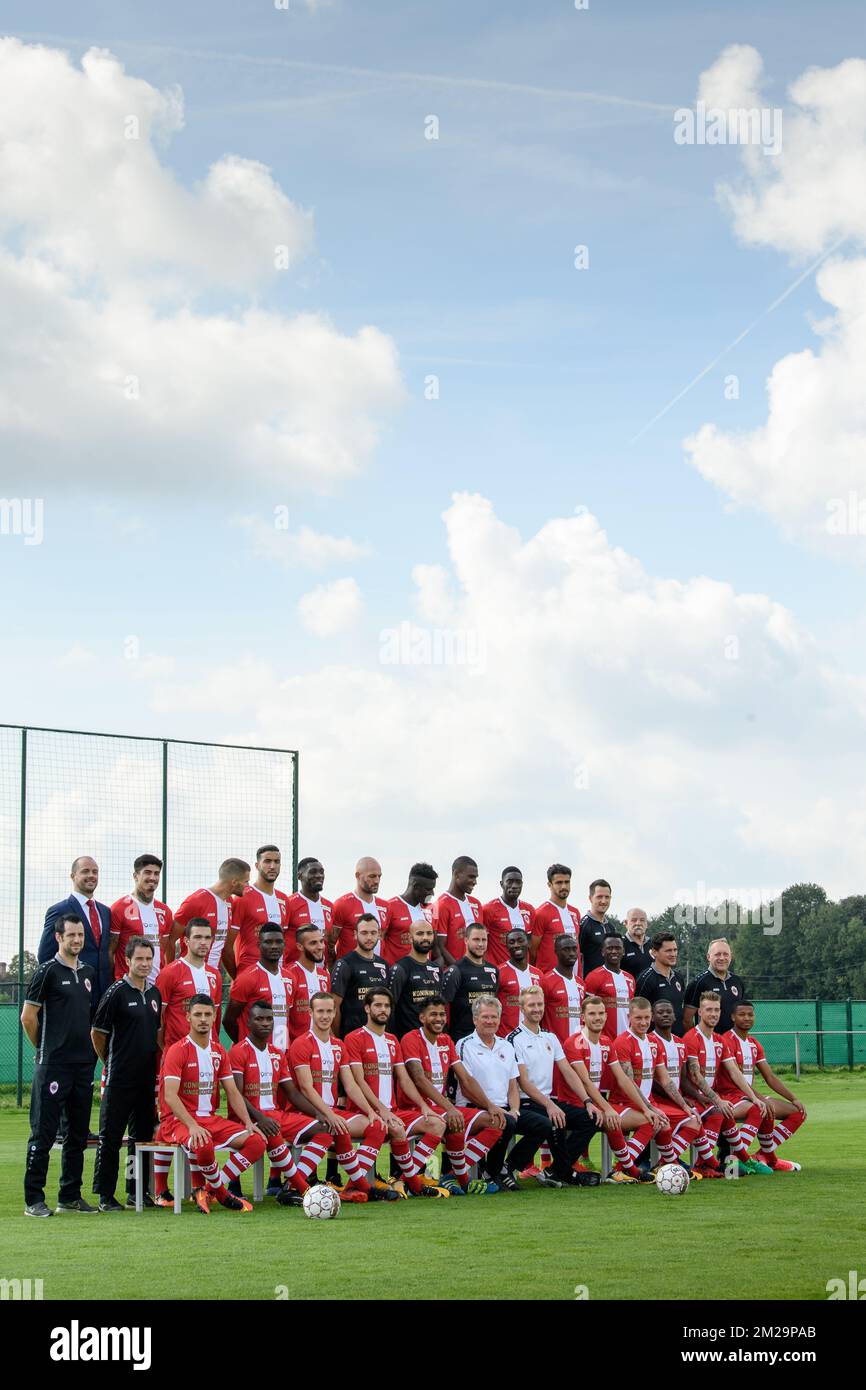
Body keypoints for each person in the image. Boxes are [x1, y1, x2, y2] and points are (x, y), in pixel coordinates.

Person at [156, 994, 267, 1213]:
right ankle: (223, 1193)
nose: (203, 1019)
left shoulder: (218, 1051)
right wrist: (192, 1125)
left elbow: (233, 1092)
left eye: (208, 1014)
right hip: (178, 1120)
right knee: (203, 1142)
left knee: (257, 1141)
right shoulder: (177, 1050)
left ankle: (208, 1189)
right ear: (188, 1017)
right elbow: (170, 1096)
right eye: (198, 1014)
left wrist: (247, 1122)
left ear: (215, 1016)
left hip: (209, 1119)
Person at [228, 998, 341, 1204]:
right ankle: (303, 1188)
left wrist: (318, 1114)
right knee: (273, 1132)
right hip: (246, 1118)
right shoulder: (237, 1051)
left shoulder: (277, 1054)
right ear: (248, 1022)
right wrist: (259, 1118)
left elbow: (293, 1093)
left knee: (324, 1129)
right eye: (259, 1019)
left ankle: (289, 1186)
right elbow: (236, 1093)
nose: (265, 1023)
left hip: (275, 1116)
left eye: (269, 1019)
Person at [290, 993, 399, 1202]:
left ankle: (351, 1188)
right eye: (320, 1011)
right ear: (310, 1013)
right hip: (307, 1113)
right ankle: (294, 1184)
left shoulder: (338, 1045)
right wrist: (329, 1114)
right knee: (331, 1127)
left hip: (333, 1112)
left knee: (377, 1125)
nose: (325, 1016)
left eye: (329, 1011)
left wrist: (370, 1112)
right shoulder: (301, 1043)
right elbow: (305, 1087)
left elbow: (350, 1084)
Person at [22, 914, 97, 1216]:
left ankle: (69, 1195)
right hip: (53, 1066)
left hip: (82, 1066)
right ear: (58, 938)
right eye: (71, 935)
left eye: (80, 935)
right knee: (43, 1133)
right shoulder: (47, 972)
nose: (77, 940)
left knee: (77, 1136)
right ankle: (33, 1200)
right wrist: (45, 1049)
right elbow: (28, 1017)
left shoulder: (89, 972)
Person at [343, 987, 450, 1197]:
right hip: (364, 1111)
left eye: (386, 1006)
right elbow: (359, 1080)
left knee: (437, 1123)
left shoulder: (392, 1040)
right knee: (396, 1130)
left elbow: (403, 1078)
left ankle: (402, 1181)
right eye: (378, 1005)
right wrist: (381, 1110)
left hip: (393, 1110)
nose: (383, 1010)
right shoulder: (354, 1038)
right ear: (367, 1008)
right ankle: (360, 1184)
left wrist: (423, 1106)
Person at [401, 997, 501, 1195]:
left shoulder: (446, 1041)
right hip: (415, 1109)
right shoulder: (411, 1039)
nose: (439, 1019)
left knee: (496, 1120)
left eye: (442, 1014)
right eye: (433, 1014)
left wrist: (490, 1105)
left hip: (442, 1109)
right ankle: (406, 1182)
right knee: (449, 1120)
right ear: (422, 1017)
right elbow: (419, 1079)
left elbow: (465, 1078)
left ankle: (453, 1176)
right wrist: (449, 1107)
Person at [91, 936, 162, 1211]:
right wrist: (110, 1061)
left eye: (148, 959)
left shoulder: (154, 994)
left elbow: (155, 1035)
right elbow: (97, 1033)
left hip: (146, 1079)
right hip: (119, 1079)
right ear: (128, 961)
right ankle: (106, 1196)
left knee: (141, 1138)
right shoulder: (116, 992)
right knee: (110, 1137)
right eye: (139, 959)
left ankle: (137, 1192)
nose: (144, 964)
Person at [509, 985, 601, 1188]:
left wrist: (587, 1101)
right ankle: (510, 1168)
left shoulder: (550, 1037)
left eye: (540, 1004)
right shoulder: (514, 1039)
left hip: (549, 1102)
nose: (537, 1009)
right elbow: (523, 1081)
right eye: (531, 1005)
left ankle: (556, 1169)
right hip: (525, 1102)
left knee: (591, 1119)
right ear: (522, 1008)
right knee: (550, 1119)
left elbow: (568, 1071)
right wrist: (550, 1105)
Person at [454, 997, 545, 1192]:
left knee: (543, 1124)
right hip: (475, 1108)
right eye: (485, 1017)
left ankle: (506, 1169)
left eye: (494, 1017)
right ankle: (492, 1174)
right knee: (505, 1122)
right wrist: (490, 1107)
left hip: (503, 1108)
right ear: (475, 1019)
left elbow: (513, 1085)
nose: (490, 1021)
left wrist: (514, 1108)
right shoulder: (464, 1045)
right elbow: (467, 1085)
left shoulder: (506, 1045)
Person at [682, 991, 769, 1176]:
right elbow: (695, 1076)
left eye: (716, 1010)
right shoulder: (691, 1038)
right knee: (719, 1113)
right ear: (700, 1012)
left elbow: (734, 1072)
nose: (713, 1014)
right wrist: (717, 1100)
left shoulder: (719, 1041)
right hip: (693, 1097)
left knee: (750, 1109)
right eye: (709, 1010)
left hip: (709, 1098)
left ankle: (742, 1161)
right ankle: (705, 1165)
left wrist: (754, 1097)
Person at [720, 1001, 806, 1172]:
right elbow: (736, 1079)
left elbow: (770, 1077)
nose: (746, 1018)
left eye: (750, 1015)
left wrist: (794, 1098)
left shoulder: (753, 1043)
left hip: (748, 1096)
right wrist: (759, 1099)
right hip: (730, 1095)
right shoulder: (726, 1040)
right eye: (742, 1014)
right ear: (732, 1017)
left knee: (798, 1113)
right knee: (760, 1108)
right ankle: (740, 1159)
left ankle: (763, 1156)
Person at [604, 998, 674, 1183]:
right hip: (622, 1103)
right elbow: (628, 1083)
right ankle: (621, 1170)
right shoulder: (622, 1042)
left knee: (668, 1124)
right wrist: (650, 1108)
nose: (643, 1022)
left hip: (646, 1103)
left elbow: (665, 1079)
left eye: (646, 1018)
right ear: (629, 1017)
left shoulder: (653, 1042)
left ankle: (666, 1167)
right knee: (652, 1122)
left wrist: (684, 1105)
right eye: (638, 1018)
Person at [649, 999, 721, 1176]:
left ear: (675, 1017)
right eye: (660, 1012)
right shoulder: (650, 1041)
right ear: (652, 1017)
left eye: (668, 1012)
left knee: (714, 1112)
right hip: (659, 1100)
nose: (665, 1015)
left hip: (678, 1099)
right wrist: (679, 1100)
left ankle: (695, 1163)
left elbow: (683, 1080)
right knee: (694, 1119)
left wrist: (699, 1096)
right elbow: (651, 1081)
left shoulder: (680, 1043)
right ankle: (705, 1162)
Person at [38, 855, 111, 997]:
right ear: (73, 876)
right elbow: (45, 955)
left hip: (103, 994)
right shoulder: (59, 910)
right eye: (85, 871)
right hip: (73, 994)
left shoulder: (105, 912)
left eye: (95, 872)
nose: (91, 875)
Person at [170, 858, 250, 977]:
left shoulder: (229, 902)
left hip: (213, 977)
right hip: (189, 975)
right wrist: (170, 972)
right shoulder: (196, 901)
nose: (248, 886)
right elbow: (171, 940)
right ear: (234, 882)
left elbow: (223, 946)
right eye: (246, 881)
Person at [223, 926, 295, 1052]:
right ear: (259, 945)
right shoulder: (247, 978)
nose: (274, 946)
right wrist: (247, 1047)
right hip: (253, 1057)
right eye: (268, 942)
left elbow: (285, 1019)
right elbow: (228, 1020)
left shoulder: (290, 978)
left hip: (281, 1058)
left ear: (284, 945)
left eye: (278, 942)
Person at [155, 919, 221, 1051]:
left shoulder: (215, 975)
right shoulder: (169, 973)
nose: (203, 942)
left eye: (207, 938)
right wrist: (167, 1050)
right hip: (177, 1053)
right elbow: (157, 1018)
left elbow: (215, 1018)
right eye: (197, 937)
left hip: (208, 1054)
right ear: (186, 941)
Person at [109, 854, 173, 984]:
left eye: (156, 874)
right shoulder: (119, 908)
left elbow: (163, 949)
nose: (152, 878)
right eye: (147, 873)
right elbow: (110, 951)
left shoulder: (165, 911)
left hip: (156, 986)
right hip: (127, 986)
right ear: (135, 876)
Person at [230, 845, 290, 976]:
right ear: (257, 866)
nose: (272, 866)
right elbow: (228, 945)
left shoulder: (284, 899)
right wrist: (239, 977)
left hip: (278, 975)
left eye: (276, 861)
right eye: (267, 861)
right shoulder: (243, 896)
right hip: (249, 974)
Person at [330, 914, 392, 1037]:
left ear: (379, 934)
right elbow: (334, 1006)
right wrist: (338, 1039)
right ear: (355, 934)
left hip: (378, 1036)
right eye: (364, 933)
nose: (369, 937)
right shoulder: (344, 964)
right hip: (351, 1036)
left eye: (373, 933)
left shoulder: (383, 965)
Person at [441, 923, 499, 1042]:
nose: (481, 944)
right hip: (461, 1038)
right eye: (476, 939)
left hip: (487, 1039)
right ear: (466, 940)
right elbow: (442, 1006)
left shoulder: (494, 970)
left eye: (484, 940)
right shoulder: (456, 970)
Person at [389, 917, 444, 1037]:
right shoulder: (400, 969)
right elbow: (390, 1009)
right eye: (420, 933)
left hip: (433, 1039)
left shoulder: (436, 969)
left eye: (429, 933)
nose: (425, 937)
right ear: (410, 938)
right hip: (407, 1039)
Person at [683, 938, 748, 1034]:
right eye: (717, 954)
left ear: (731, 956)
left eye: (726, 954)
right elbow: (687, 1020)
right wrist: (700, 1040)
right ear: (709, 957)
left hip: (732, 1044)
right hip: (709, 1045)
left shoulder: (737, 981)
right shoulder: (698, 982)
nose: (722, 958)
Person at [331, 857, 388, 961]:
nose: (377, 881)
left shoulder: (385, 906)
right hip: (350, 973)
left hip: (378, 972)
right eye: (372, 876)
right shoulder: (342, 904)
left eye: (379, 876)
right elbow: (330, 945)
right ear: (358, 876)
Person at [381, 863, 438, 966]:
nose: (432, 893)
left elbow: (436, 950)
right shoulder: (389, 907)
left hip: (424, 977)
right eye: (428, 889)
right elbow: (379, 943)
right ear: (415, 886)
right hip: (397, 976)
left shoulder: (432, 909)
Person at [531, 864, 581, 975]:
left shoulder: (575, 912)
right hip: (549, 980)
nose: (564, 886)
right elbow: (532, 951)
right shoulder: (541, 913)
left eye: (567, 882)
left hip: (574, 980)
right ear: (550, 885)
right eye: (559, 883)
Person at [283, 857, 334, 965]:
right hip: (293, 973)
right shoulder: (288, 904)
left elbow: (330, 946)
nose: (319, 875)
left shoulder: (329, 906)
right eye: (312, 872)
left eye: (321, 872)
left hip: (321, 976)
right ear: (299, 876)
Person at [481, 868, 536, 967]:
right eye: (510, 882)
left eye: (518, 882)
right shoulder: (488, 910)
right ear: (502, 884)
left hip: (522, 972)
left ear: (522, 884)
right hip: (497, 972)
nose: (514, 886)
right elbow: (481, 943)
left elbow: (530, 945)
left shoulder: (529, 910)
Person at [434, 856, 483, 967]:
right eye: (471, 877)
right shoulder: (441, 905)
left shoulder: (476, 904)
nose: (475, 882)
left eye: (476, 877)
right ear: (456, 874)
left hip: (475, 972)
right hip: (454, 975)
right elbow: (440, 947)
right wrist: (460, 970)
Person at [584, 934, 635, 1041]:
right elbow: (586, 1010)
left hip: (626, 1041)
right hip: (602, 1041)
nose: (614, 951)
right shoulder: (593, 976)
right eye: (609, 948)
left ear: (623, 951)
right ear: (602, 951)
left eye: (617, 948)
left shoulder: (630, 979)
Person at [634, 932, 686, 1035]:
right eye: (668, 951)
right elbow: (637, 1013)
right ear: (654, 952)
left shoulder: (678, 978)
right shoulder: (646, 979)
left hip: (677, 1042)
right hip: (654, 1044)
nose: (673, 954)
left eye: (675, 950)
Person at [288, 926, 331, 1042]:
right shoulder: (288, 975)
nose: (320, 947)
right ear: (300, 946)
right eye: (313, 943)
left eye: (321, 941)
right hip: (295, 1047)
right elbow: (282, 1018)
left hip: (320, 1048)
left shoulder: (325, 976)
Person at [541, 935, 585, 1043]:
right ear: (556, 952)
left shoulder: (581, 983)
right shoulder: (546, 981)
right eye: (566, 949)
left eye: (574, 949)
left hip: (578, 1047)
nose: (571, 953)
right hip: (554, 1048)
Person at [496, 929, 542, 1036]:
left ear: (529, 943)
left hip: (533, 1039)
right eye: (512, 942)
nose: (516, 945)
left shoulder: (538, 975)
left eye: (520, 941)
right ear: (507, 947)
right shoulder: (499, 972)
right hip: (506, 1039)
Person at [578, 879, 613, 978]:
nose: (603, 901)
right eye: (599, 897)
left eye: (607, 897)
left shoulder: (611, 927)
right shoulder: (583, 925)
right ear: (590, 898)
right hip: (589, 985)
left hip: (609, 983)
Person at [620, 908, 653, 981]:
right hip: (628, 991)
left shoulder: (654, 945)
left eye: (642, 920)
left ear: (647, 924)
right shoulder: (619, 945)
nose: (638, 923)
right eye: (634, 920)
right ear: (626, 923)